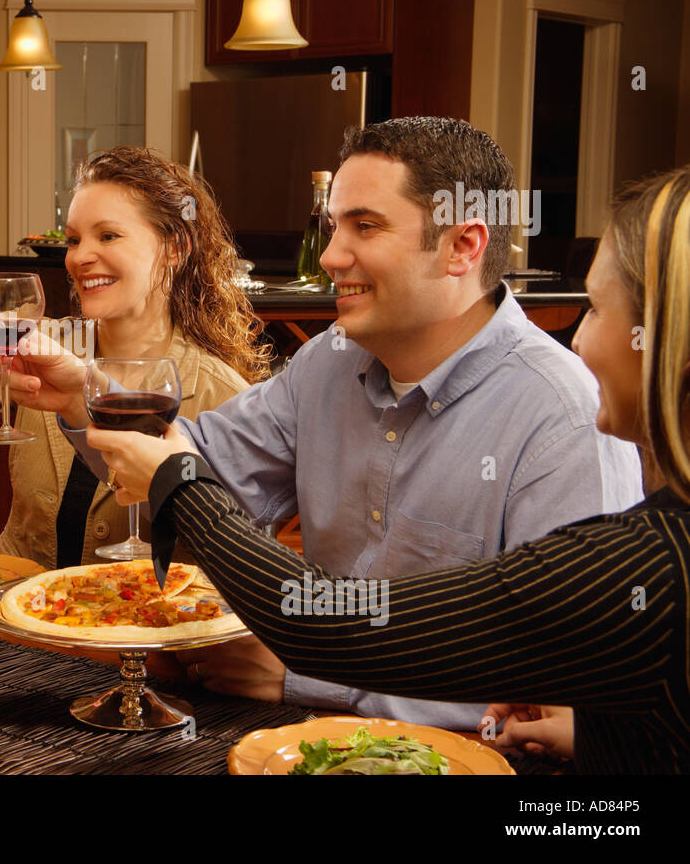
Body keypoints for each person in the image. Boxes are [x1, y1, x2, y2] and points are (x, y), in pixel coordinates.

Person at [0, 118, 644, 727]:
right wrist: (83, 396)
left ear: (461, 247)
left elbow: (570, 697)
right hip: (296, 744)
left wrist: (311, 679)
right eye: (334, 227)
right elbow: (184, 473)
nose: (330, 256)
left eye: (364, 227)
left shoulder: (564, 420)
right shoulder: (329, 363)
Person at [126, 164, 690, 774]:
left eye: (599, 310)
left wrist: (180, 478)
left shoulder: (649, 557)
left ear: (667, 343)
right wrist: (595, 738)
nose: (578, 341)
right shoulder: (662, 544)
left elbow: (332, 628)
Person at [0, 147, 268, 568]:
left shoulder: (222, 392)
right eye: (73, 239)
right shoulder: (34, 343)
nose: (79, 257)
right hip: (11, 609)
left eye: (107, 236)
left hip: (138, 623)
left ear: (176, 247)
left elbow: (240, 555)